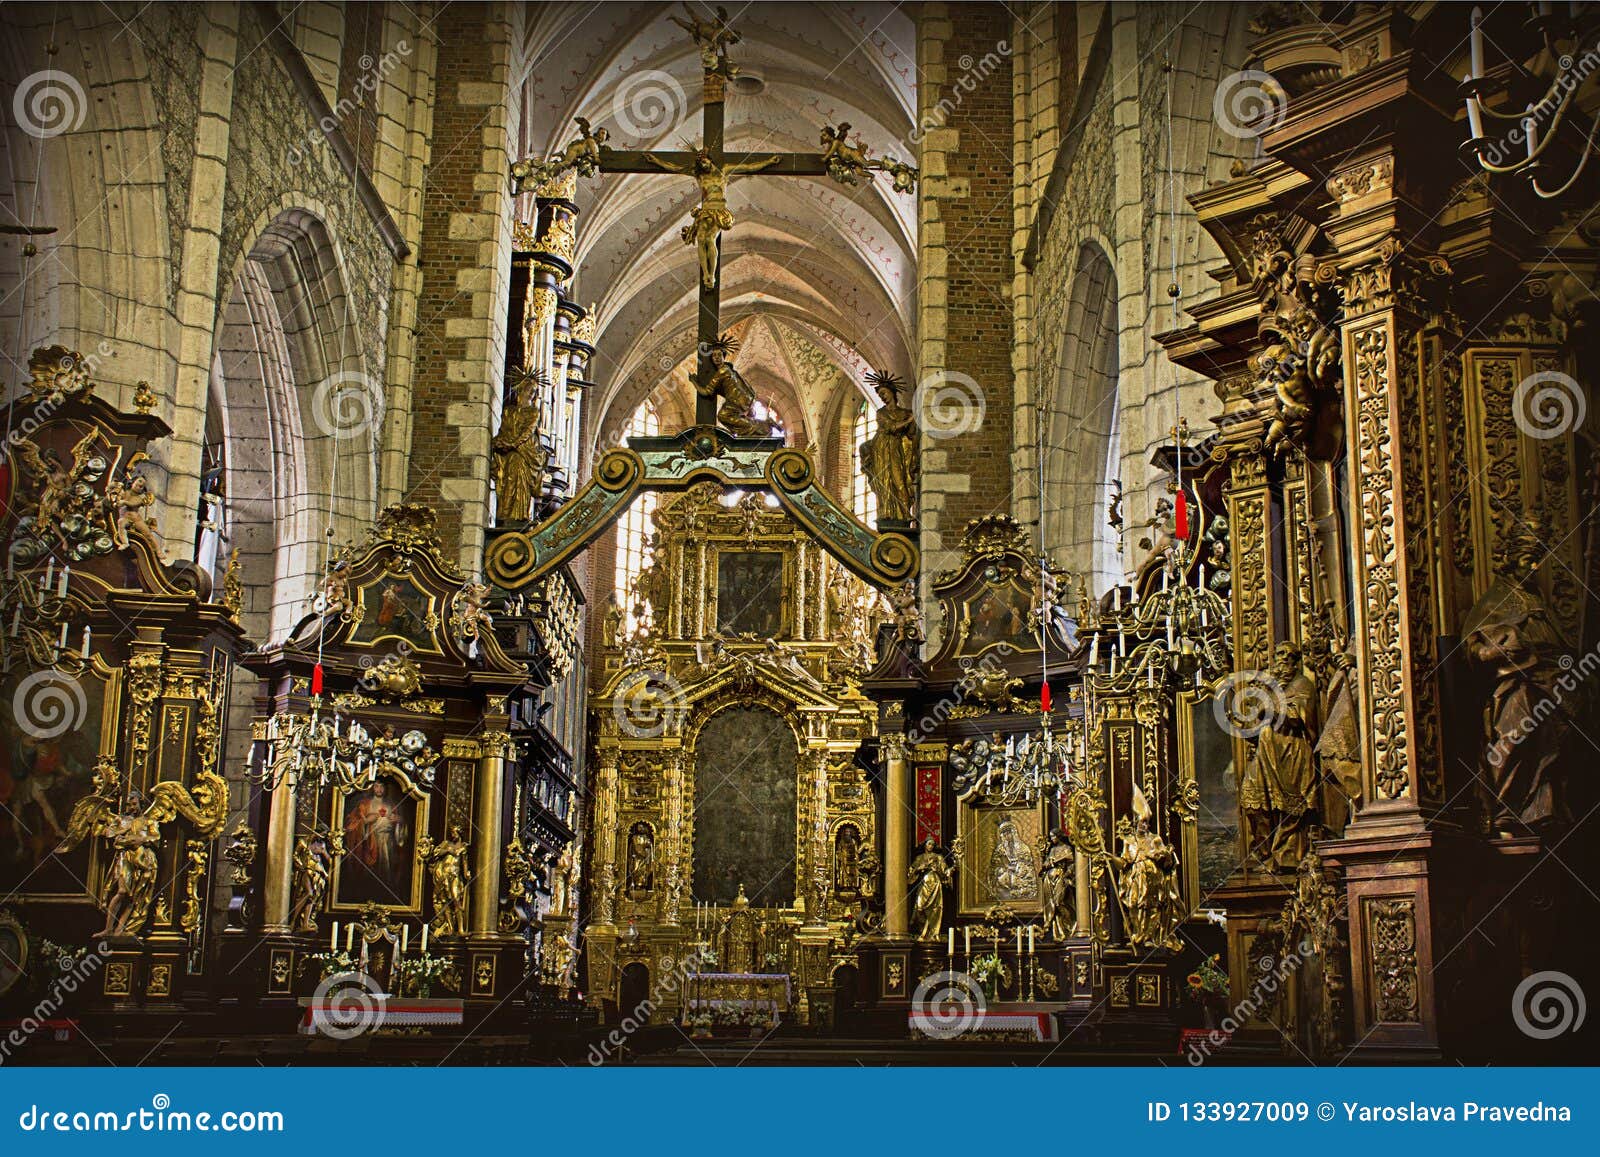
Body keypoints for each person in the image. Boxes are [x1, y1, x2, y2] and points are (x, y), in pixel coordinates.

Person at [858, 372, 918, 522]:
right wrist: (909, 420)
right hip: (881, 448)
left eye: (884, 393)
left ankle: (904, 513)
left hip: (896, 448)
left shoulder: (905, 412)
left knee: (900, 480)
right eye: (880, 395)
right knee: (884, 482)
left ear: (892, 392)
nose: (883, 397)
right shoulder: (881, 413)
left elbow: (911, 434)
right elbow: (891, 427)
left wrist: (912, 422)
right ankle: (886, 513)